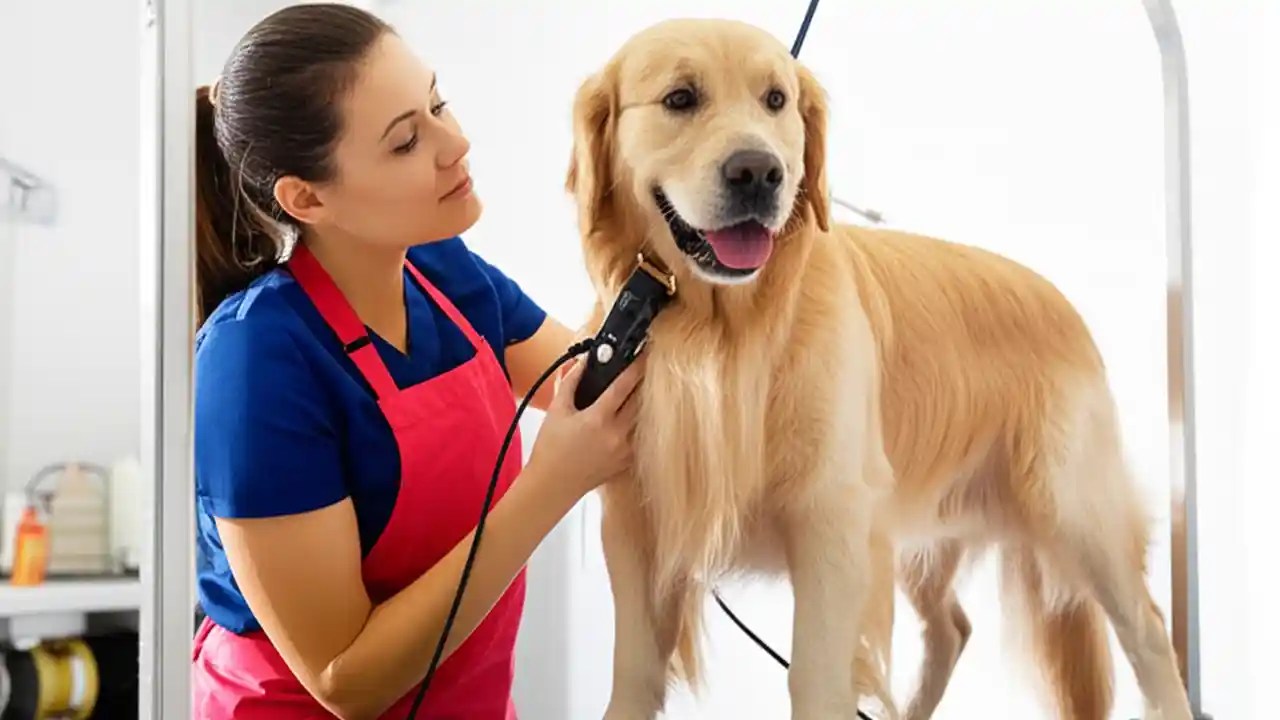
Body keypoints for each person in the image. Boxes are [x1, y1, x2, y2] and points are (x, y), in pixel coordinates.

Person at [188, 5, 642, 719]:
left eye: (437, 104)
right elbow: (347, 681)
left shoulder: (444, 272)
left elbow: (601, 388)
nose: (455, 144)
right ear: (306, 197)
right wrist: (555, 480)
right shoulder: (254, 362)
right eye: (405, 142)